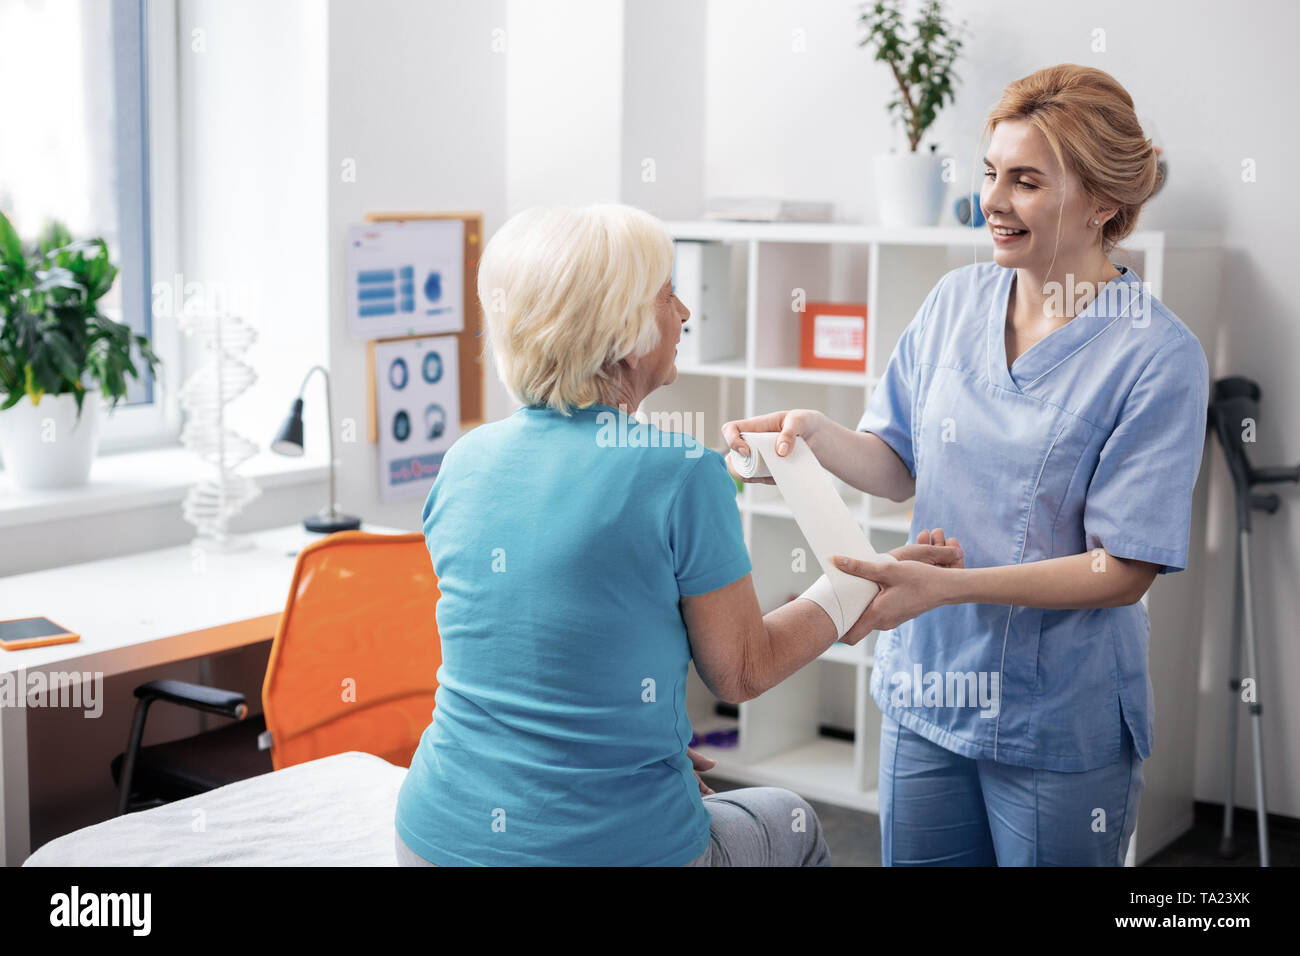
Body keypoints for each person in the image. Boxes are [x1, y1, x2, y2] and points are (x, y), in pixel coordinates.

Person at [724, 64, 1209, 866]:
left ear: (1102, 203)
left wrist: (947, 586)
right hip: (927, 689)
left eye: (1025, 181)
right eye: (990, 174)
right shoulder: (955, 301)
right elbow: (896, 462)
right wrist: (814, 437)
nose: (992, 200)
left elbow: (1123, 568)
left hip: (1056, 718)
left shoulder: (1158, 357)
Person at [394, 203, 963, 866]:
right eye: (668, 294)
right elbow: (742, 672)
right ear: (626, 326)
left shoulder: (466, 458)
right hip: (605, 850)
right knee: (791, 820)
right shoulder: (680, 473)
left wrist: (646, 739)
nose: (686, 313)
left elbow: (540, 641)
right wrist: (860, 582)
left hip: (433, 834)